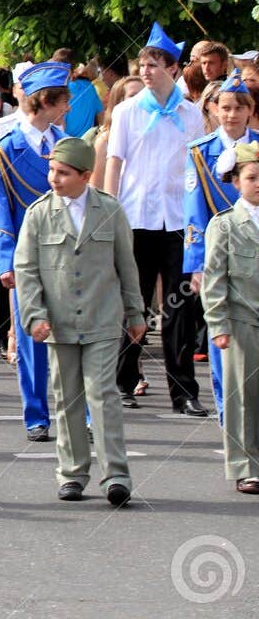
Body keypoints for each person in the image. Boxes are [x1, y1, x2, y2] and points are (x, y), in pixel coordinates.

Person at [14, 136, 146, 506]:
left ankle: (116, 475)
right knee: (67, 397)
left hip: (102, 318)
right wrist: (34, 315)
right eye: (52, 171)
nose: (54, 178)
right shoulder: (39, 213)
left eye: (64, 173)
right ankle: (72, 473)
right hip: (58, 322)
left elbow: (126, 265)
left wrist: (135, 313)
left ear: (86, 175)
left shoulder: (110, 210)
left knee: (103, 395)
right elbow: (25, 270)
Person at [103, 23, 207, 415]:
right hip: (135, 217)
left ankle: (184, 390)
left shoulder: (191, 114)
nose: (146, 71)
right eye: (143, 64)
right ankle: (124, 380)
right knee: (135, 302)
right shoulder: (129, 110)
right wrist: (110, 211)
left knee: (179, 308)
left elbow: (195, 170)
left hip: (178, 220)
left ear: (174, 69)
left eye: (155, 64)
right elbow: (115, 162)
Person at [0, 60, 71, 440]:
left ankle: (76, 409)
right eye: (61, 101)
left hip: (68, 255)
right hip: (27, 255)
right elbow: (2, 209)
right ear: (44, 101)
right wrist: (6, 261)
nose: (66, 108)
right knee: (31, 338)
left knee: (73, 334)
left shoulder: (66, 147)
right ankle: (36, 414)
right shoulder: (5, 148)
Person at [184, 74, 259, 420]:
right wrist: (197, 264)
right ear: (213, 110)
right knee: (222, 329)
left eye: (238, 108)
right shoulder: (200, 152)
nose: (231, 115)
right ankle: (227, 409)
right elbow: (194, 212)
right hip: (220, 250)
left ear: (250, 110)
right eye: (225, 108)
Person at [200, 141, 259, 494]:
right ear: (236, 181)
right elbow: (214, 278)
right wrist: (218, 323)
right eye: (251, 177)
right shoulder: (225, 225)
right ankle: (245, 466)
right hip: (241, 320)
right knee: (242, 396)